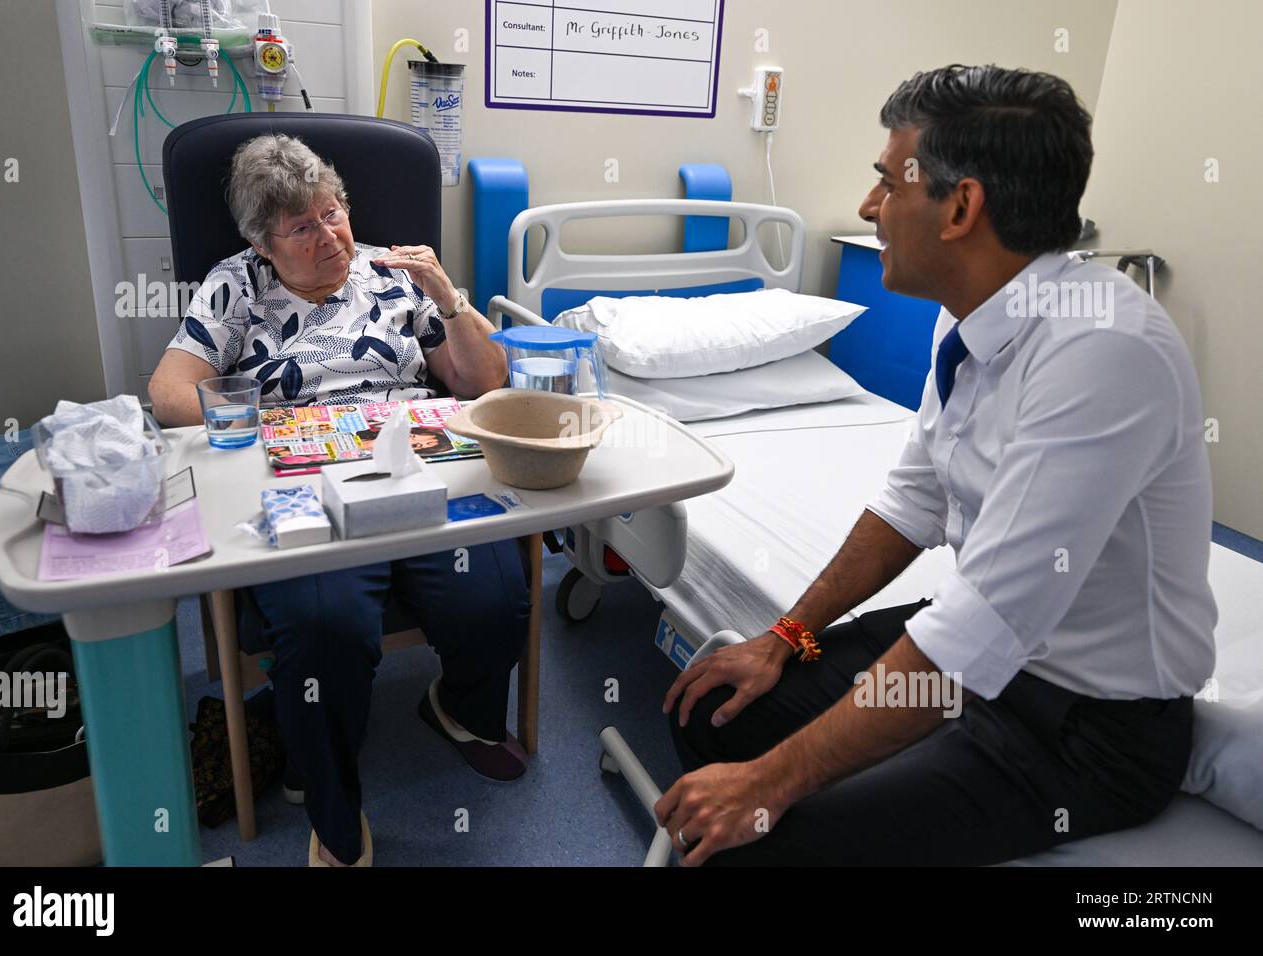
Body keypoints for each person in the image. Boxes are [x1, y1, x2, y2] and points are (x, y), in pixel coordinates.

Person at [658, 64, 1216, 866]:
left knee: (765, 835)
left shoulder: (1104, 351)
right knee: (712, 709)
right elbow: (911, 503)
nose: (867, 208)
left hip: (1080, 727)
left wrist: (769, 784)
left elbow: (980, 626)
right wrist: (783, 637)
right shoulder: (971, 322)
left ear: (961, 207)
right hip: (983, 668)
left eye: (887, 183)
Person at [149, 134, 528, 867]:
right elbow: (168, 395)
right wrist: (278, 425)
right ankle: (333, 806)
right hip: (296, 478)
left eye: (334, 213)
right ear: (264, 243)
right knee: (324, 627)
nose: (330, 237)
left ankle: (457, 706)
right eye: (302, 227)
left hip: (416, 464)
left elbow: (482, 383)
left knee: (494, 599)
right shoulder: (236, 287)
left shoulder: (394, 274)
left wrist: (447, 298)